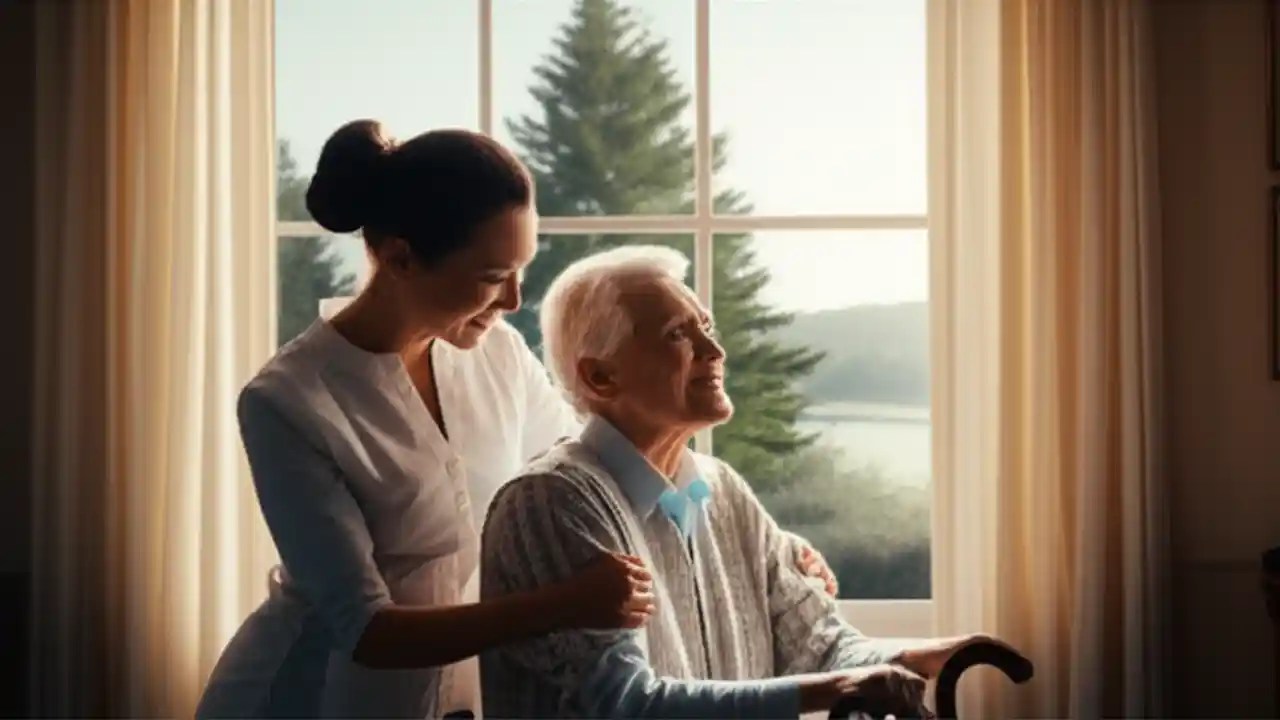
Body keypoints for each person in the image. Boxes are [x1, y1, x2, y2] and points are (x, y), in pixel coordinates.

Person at [196, 120, 838, 719]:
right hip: (318, 699)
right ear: (399, 259)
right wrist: (561, 604)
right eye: (493, 276)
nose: (514, 300)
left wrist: (767, 552)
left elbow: (606, 463)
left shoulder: (497, 352)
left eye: (523, 270)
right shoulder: (288, 401)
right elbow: (366, 628)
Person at [480, 246, 1007, 719]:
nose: (714, 350)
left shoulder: (723, 487)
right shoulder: (551, 501)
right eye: (677, 335)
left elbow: (819, 645)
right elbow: (627, 706)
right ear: (600, 377)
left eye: (706, 326)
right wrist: (835, 688)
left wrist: (912, 658)